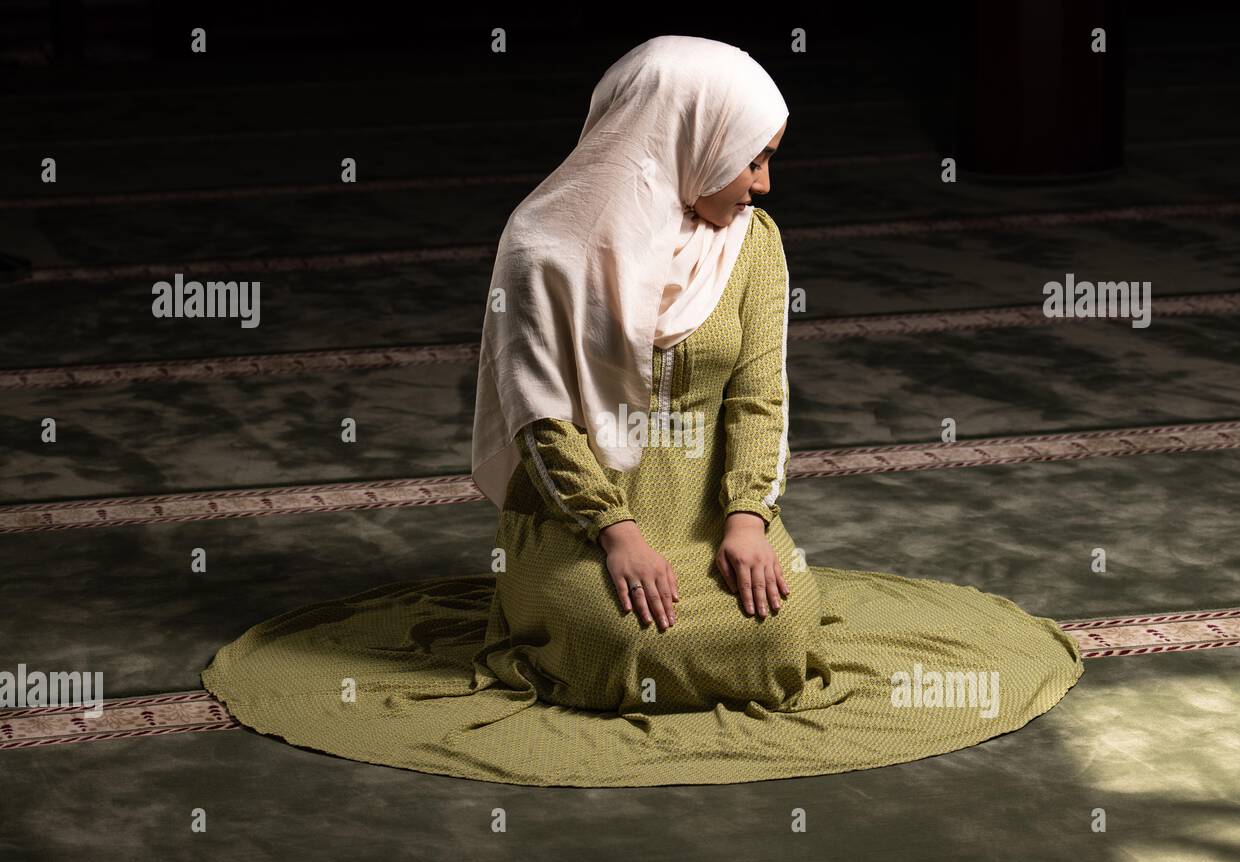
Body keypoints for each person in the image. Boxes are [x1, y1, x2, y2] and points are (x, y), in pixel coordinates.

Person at [202, 35, 1084, 788]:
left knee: (777, 636)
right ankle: (563, 600)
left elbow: (759, 396)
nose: (764, 184)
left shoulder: (752, 247)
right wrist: (616, 533)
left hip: (708, 505)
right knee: (617, 642)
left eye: (769, 157)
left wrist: (745, 518)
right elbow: (540, 421)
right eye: (752, 159)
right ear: (685, 138)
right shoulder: (543, 250)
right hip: (576, 516)